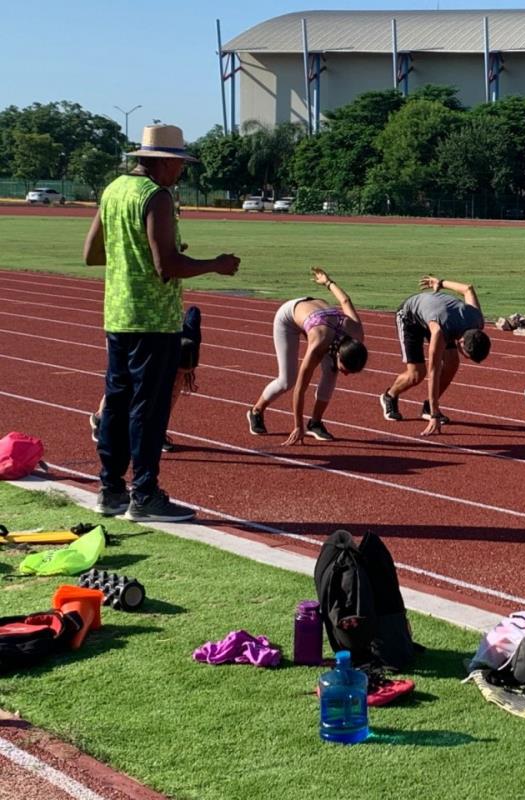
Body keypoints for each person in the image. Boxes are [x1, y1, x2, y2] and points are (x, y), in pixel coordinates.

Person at [82, 123, 239, 523]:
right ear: (160, 163)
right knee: (147, 409)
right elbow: (166, 265)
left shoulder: (114, 191)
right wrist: (215, 266)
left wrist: (134, 252)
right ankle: (146, 493)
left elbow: (92, 254)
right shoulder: (157, 196)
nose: (181, 172)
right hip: (153, 318)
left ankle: (110, 488)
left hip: (117, 312)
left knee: (116, 402)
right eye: (178, 164)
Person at [247, 268, 368, 445]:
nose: (347, 374)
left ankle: (315, 423)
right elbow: (300, 389)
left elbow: (345, 300)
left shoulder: (357, 333)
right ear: (340, 354)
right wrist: (297, 426)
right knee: (288, 380)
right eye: (346, 369)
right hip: (289, 318)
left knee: (331, 372)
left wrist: (328, 282)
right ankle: (256, 411)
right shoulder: (319, 343)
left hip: (322, 321)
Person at [380, 275, 492, 436]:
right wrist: (435, 415)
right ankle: (389, 396)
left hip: (438, 316)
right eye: (468, 356)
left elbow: (468, 289)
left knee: (453, 363)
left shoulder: (477, 320)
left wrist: (441, 283)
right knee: (417, 374)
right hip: (410, 317)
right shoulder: (440, 331)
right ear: (460, 342)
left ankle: (427, 406)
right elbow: (433, 372)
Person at [90, 306, 201, 453]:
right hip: (130, 329)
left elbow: (194, 313)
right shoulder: (158, 343)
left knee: (170, 390)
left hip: (167, 333)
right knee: (125, 380)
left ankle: (157, 431)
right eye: (177, 372)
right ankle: (102, 419)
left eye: (184, 372)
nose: (178, 378)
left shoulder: (190, 335)